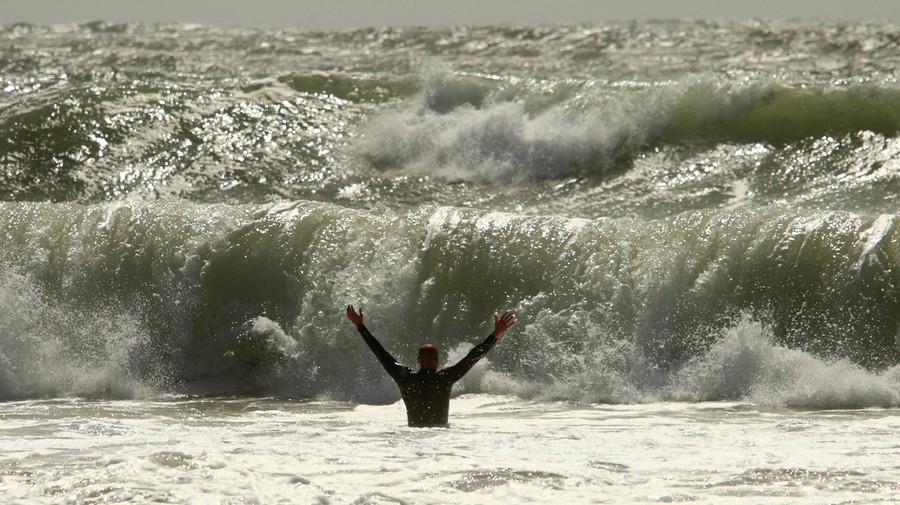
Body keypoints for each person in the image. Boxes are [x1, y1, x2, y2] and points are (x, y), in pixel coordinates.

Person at [345, 304, 515, 427]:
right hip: (438, 443)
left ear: (418, 360)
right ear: (437, 360)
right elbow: (473, 357)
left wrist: (360, 326)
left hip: (413, 442)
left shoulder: (405, 379)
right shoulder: (444, 379)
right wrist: (496, 333)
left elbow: (380, 353)